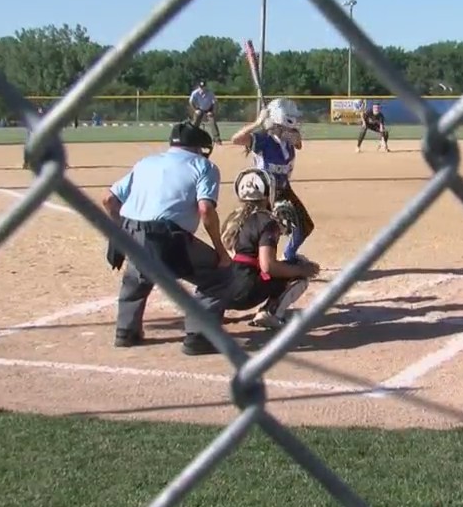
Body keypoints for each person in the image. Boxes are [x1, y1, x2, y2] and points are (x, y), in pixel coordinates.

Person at [102, 121, 233, 356]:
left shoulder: (146, 162)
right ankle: (199, 337)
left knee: (136, 276)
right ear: (198, 147)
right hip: (167, 237)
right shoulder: (204, 166)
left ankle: (126, 332)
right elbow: (205, 210)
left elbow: (109, 201)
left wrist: (121, 231)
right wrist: (221, 251)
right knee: (217, 275)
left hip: (131, 230)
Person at [218, 167, 320, 330]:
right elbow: (268, 266)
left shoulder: (233, 218)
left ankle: (215, 312)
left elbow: (230, 255)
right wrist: (301, 270)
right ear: (268, 191)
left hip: (221, 291)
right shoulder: (267, 221)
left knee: (242, 264)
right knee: (298, 268)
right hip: (247, 292)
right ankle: (271, 312)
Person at [230, 98, 315, 263]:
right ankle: (252, 260)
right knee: (263, 231)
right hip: (263, 193)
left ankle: (288, 257)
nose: (296, 122)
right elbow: (236, 139)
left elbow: (298, 143)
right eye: (292, 118)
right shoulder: (263, 140)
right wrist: (258, 122)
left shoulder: (287, 140)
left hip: (283, 188)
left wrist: (283, 132)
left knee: (305, 226)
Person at [188, 80, 222, 144]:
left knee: (212, 120)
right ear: (198, 87)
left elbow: (215, 103)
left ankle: (217, 138)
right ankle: (192, 136)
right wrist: (195, 110)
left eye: (203, 87)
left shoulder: (210, 93)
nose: (202, 89)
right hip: (199, 109)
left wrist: (212, 112)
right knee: (196, 120)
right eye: (201, 87)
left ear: (205, 87)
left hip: (208, 109)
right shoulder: (195, 93)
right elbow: (190, 102)